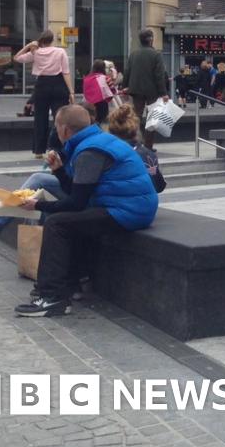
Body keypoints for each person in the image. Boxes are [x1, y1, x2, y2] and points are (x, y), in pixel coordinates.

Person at [13, 105, 159, 317]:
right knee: (70, 222)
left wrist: (37, 205)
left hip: (128, 211)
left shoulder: (90, 151)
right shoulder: (96, 141)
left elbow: (76, 203)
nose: (55, 132)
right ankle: (69, 286)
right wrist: (59, 171)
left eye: (56, 127)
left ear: (64, 129)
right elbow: (77, 192)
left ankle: (51, 297)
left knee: (56, 223)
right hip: (131, 206)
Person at [14, 30, 73, 158]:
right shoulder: (60, 52)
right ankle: (57, 148)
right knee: (59, 118)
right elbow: (66, 72)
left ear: (41, 40)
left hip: (42, 86)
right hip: (58, 85)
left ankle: (39, 151)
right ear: (52, 40)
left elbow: (17, 58)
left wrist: (28, 46)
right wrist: (71, 92)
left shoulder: (36, 52)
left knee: (40, 118)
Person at [125, 29, 170, 148]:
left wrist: (125, 86)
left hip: (136, 90)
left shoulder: (133, 54)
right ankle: (148, 145)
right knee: (152, 118)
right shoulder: (156, 54)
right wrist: (164, 93)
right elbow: (159, 75)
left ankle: (135, 142)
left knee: (136, 116)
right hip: (152, 91)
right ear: (151, 39)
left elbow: (127, 71)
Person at [82, 59, 114, 124]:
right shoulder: (104, 78)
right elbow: (111, 90)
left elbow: (85, 90)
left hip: (89, 103)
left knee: (91, 121)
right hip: (102, 103)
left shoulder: (87, 78)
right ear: (103, 68)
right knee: (101, 121)